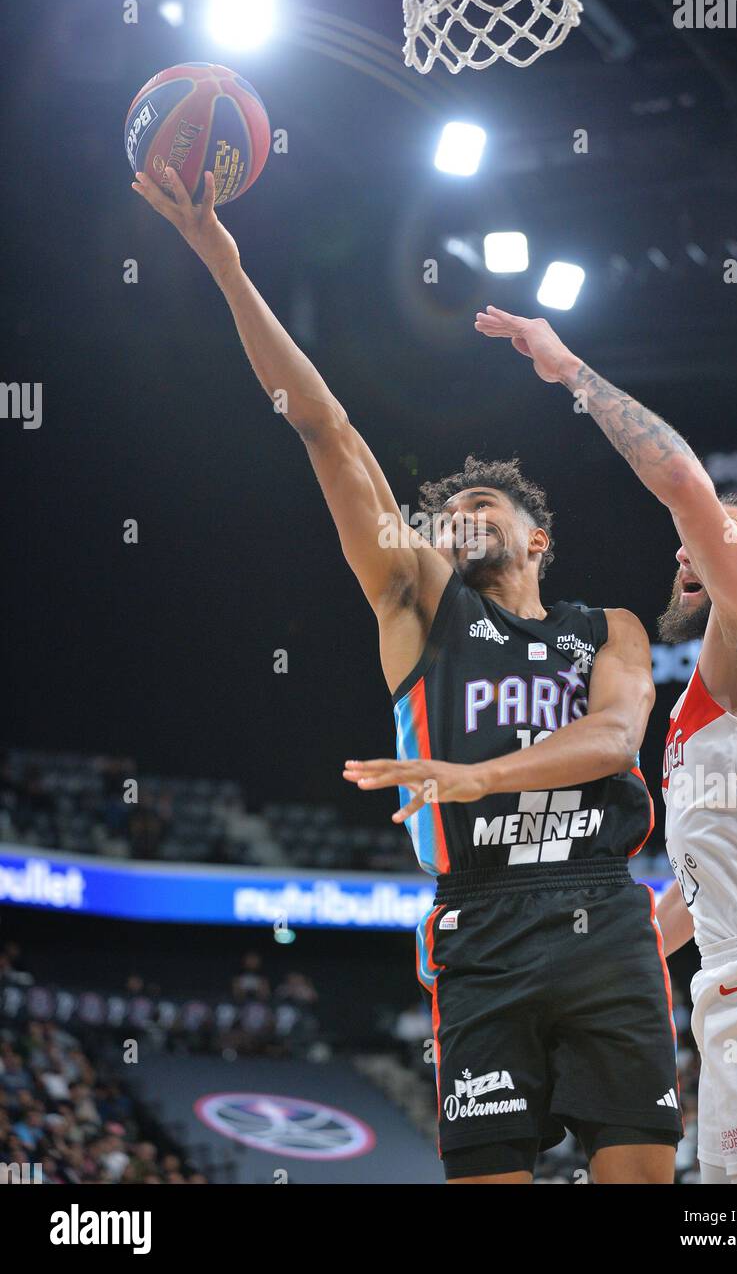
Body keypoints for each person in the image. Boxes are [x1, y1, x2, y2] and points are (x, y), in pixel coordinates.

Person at [131, 171, 681, 1185]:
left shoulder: (607, 627)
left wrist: (473, 777)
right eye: (446, 510)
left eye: (486, 502)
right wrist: (222, 256)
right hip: (477, 918)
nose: (462, 514)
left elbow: (613, 743)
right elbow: (324, 427)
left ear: (537, 537)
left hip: (599, 911)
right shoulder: (419, 606)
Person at [472, 306, 737, 1184]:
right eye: (687, 542)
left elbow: (683, 484)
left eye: (710, 541)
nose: (683, 550)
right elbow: (701, 879)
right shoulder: (716, 694)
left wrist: (570, 370)